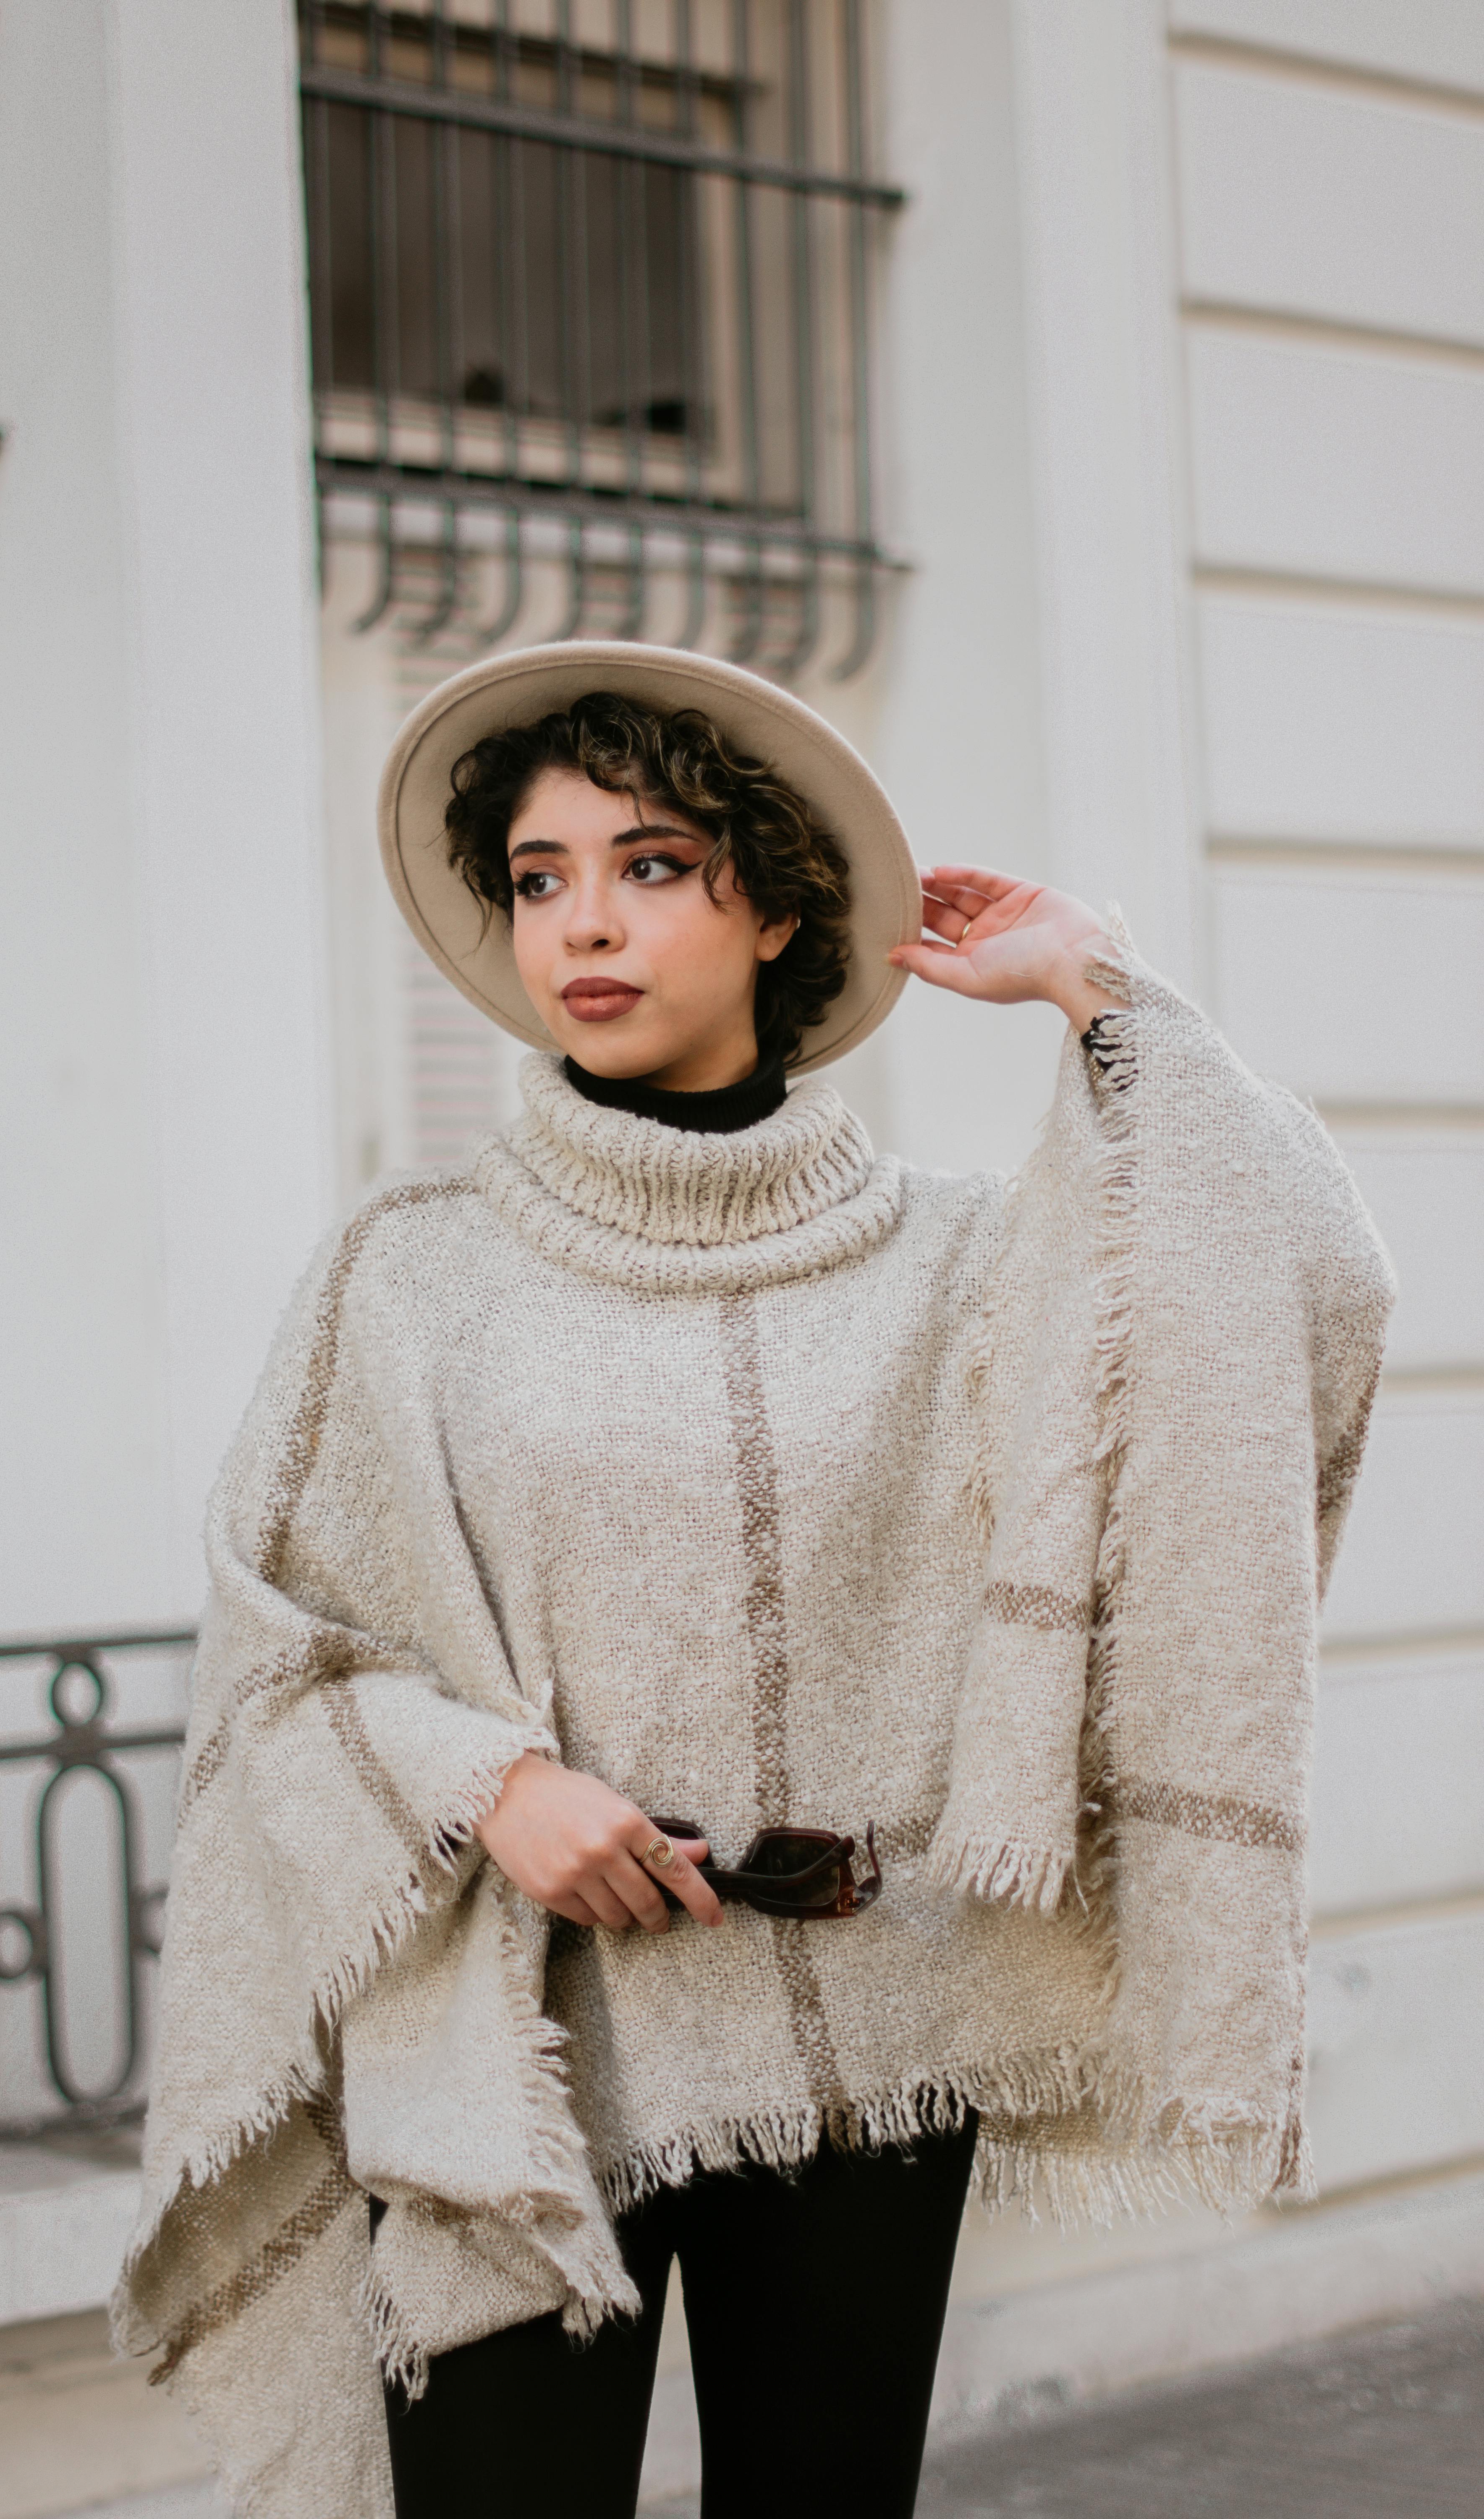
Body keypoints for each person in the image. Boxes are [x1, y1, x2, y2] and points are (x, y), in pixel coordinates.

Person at [114, 644, 1392, 2519]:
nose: (581, 925)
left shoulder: (967, 1266)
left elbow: (1297, 1297)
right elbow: (278, 1652)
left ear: (779, 904)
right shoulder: (406, 1279)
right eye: (538, 880)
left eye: (650, 865)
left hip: (871, 2041)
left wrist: (1101, 992)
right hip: (515, 2038)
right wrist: (490, 1784)